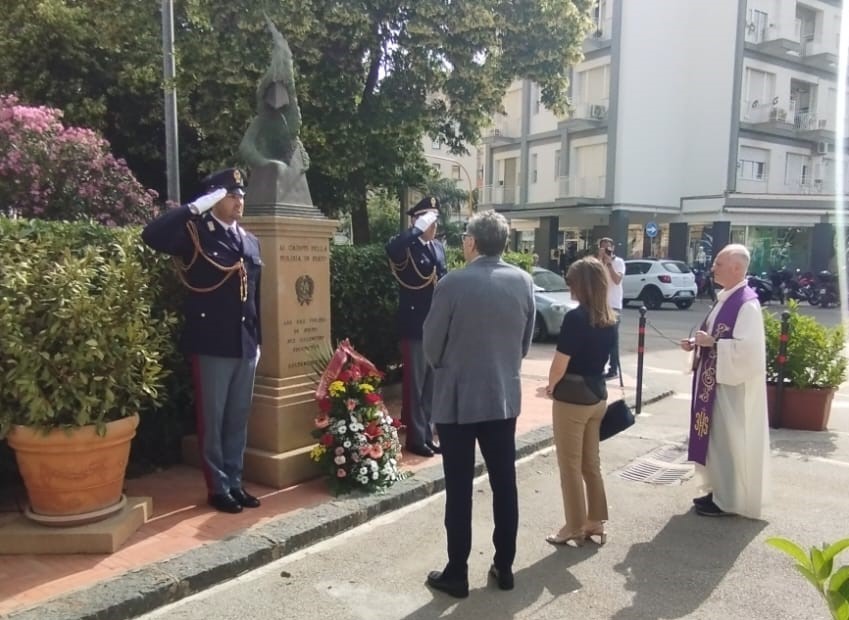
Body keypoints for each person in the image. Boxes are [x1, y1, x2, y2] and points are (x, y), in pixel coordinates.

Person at [421, 210, 535, 598]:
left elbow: (432, 346)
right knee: (505, 483)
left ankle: (457, 571)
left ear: (471, 242)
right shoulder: (523, 281)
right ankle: (504, 566)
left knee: (459, 488)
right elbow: (524, 344)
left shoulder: (452, 283)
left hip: (457, 399)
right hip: (502, 397)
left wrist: (448, 366)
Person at [142, 168, 263, 515]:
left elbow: (257, 296)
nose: (239, 200)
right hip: (211, 342)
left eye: (241, 195)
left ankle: (236, 482)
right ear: (213, 199)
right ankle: (218, 487)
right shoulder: (196, 234)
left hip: (245, 342)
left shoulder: (251, 241)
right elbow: (152, 235)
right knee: (213, 419)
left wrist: (259, 339)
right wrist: (194, 208)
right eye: (230, 195)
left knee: (238, 419)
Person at [680, 244, 769, 518]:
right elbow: (715, 334)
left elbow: (749, 351)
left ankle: (728, 500)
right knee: (714, 441)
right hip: (713, 382)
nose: (713, 268)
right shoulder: (726, 298)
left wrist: (714, 343)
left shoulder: (746, 304)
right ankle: (716, 491)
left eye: (718, 264)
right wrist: (697, 343)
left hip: (730, 388)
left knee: (727, 442)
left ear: (737, 268)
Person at [544, 257, 616, 546]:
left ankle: (573, 526)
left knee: (569, 466)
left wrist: (550, 387)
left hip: (572, 400)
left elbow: (560, 363)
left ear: (581, 285)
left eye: (571, 281)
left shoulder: (575, 318)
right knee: (591, 464)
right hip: (597, 396)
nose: (568, 286)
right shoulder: (610, 318)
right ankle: (595, 521)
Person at [385, 196, 448, 457]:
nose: (433, 225)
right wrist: (415, 229)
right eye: (428, 220)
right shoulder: (407, 248)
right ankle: (414, 438)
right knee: (415, 386)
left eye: (434, 219)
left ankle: (427, 433)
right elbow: (391, 249)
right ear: (419, 220)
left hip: (436, 327)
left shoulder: (437, 248)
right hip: (415, 327)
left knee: (432, 385)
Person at [597, 237, 625, 379]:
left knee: (612, 338)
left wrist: (608, 264)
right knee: (599, 338)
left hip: (614, 306)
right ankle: (598, 366)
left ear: (613, 248)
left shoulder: (618, 262)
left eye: (608, 248)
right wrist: (599, 260)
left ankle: (613, 368)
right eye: (603, 248)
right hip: (600, 304)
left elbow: (617, 280)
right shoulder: (598, 263)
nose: (606, 251)